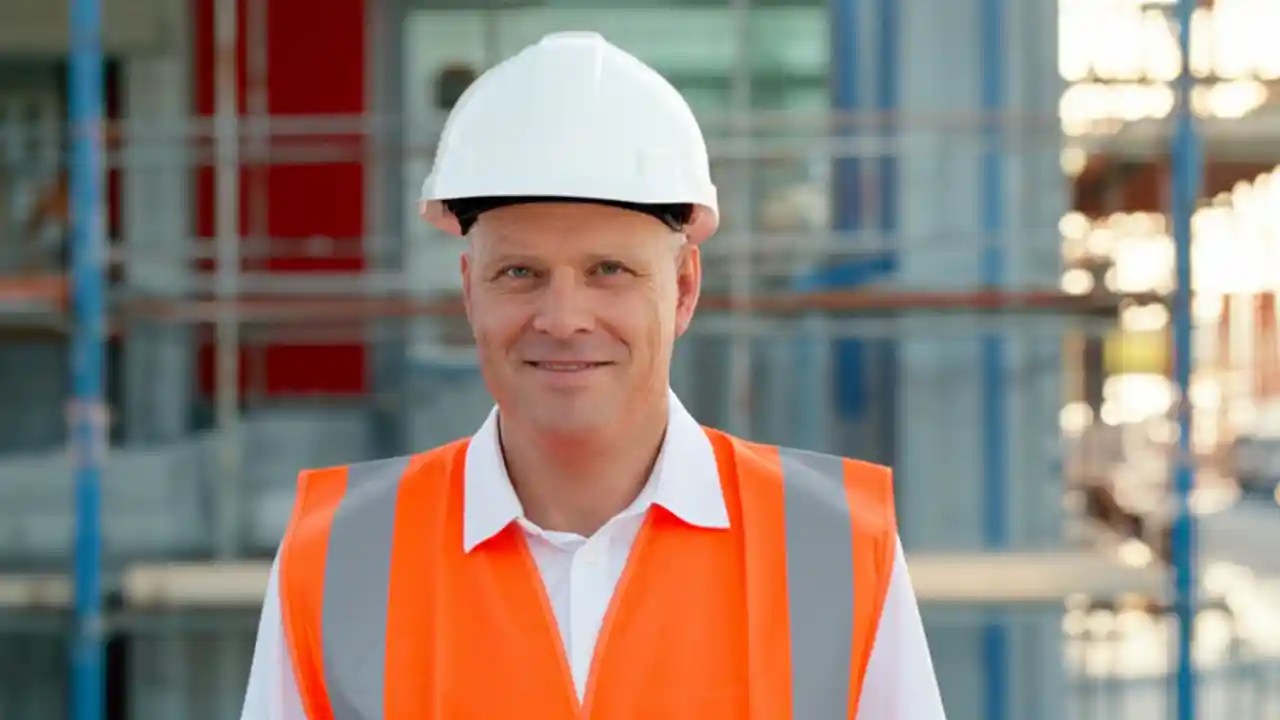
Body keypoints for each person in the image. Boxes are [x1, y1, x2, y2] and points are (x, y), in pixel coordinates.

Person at [239, 31, 945, 719]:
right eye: (520, 273)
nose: (563, 317)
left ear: (685, 288)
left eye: (609, 271)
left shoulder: (834, 549)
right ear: (469, 290)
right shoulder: (341, 558)